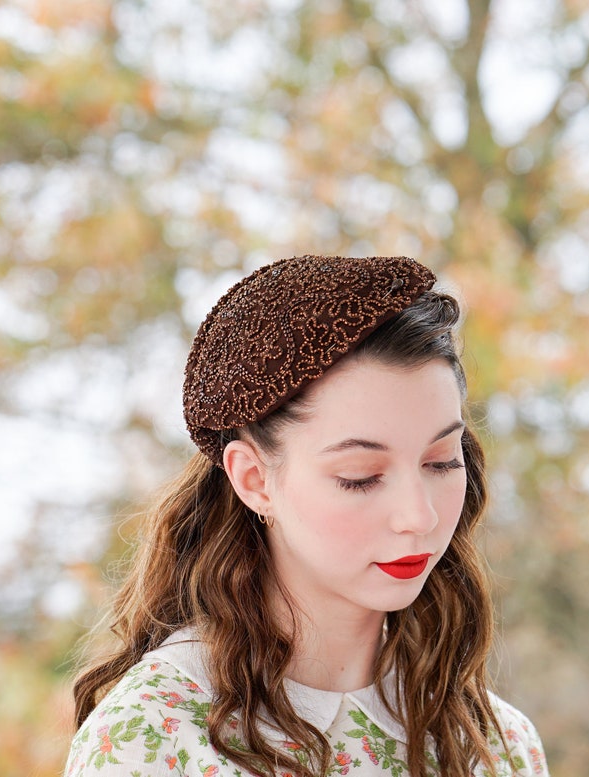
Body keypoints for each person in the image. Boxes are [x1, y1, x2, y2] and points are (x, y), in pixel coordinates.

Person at [65, 255, 547, 777]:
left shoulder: (493, 744)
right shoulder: (154, 739)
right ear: (253, 480)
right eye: (360, 476)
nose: (418, 516)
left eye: (441, 462)